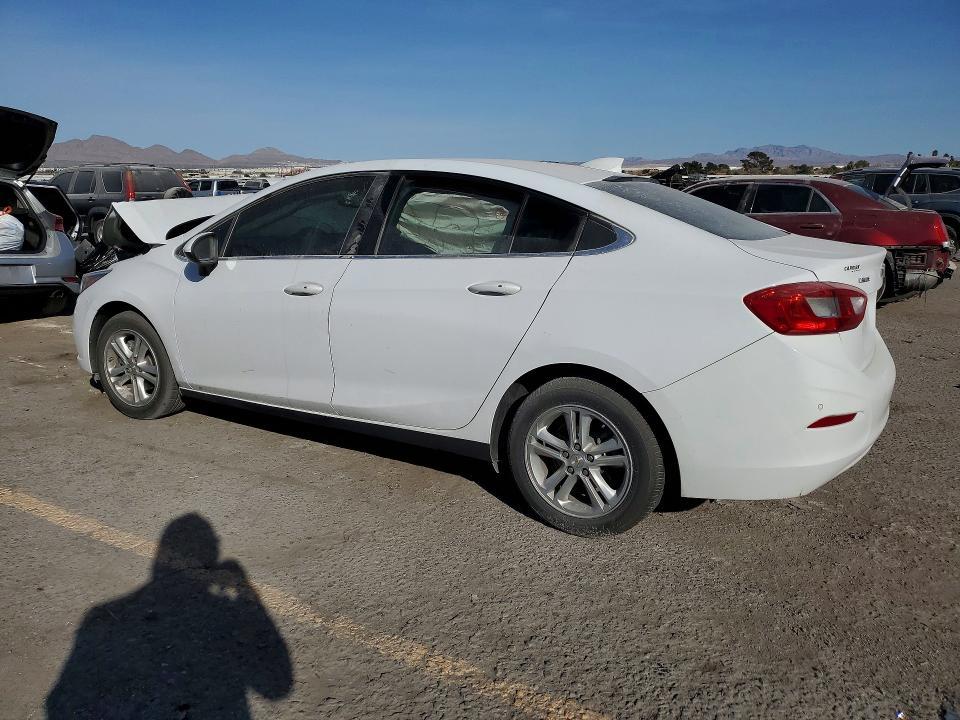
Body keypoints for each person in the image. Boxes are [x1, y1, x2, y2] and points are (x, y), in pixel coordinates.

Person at [46, 513, 293, 719]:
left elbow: (59, 702)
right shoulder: (224, 612)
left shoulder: (100, 615)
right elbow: (277, 688)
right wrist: (247, 593)